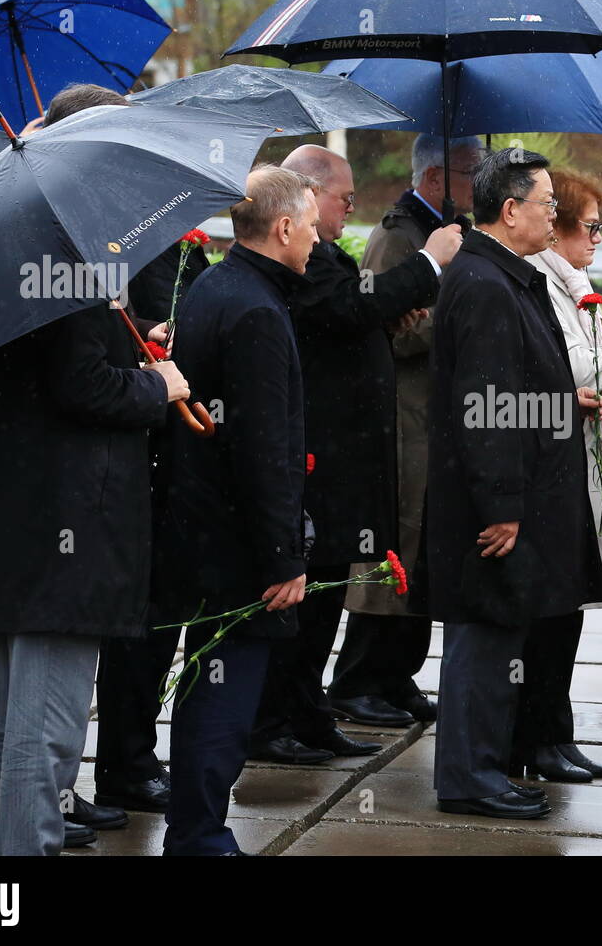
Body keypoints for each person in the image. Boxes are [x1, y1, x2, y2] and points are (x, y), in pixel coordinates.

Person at [0, 199, 190, 855]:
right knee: (45, 724)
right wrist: (156, 388)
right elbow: (81, 386)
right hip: (64, 529)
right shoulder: (72, 263)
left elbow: (50, 363)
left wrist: (129, 331)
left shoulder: (5, 252)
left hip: (8, 520)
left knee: (3, 714)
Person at [27, 84, 213, 821]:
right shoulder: (61, 238)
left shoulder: (95, 229)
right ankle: (40, 811)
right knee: (46, 682)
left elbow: (94, 349)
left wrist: (142, 338)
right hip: (61, 491)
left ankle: (55, 799)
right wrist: (152, 385)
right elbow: (77, 381)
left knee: (60, 678)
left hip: (90, 481)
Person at [248, 144, 462, 764]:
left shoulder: (322, 255)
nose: (349, 208)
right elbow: (347, 305)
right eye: (342, 199)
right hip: (321, 458)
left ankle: (309, 716)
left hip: (343, 459)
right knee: (306, 602)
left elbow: (352, 314)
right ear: (308, 197)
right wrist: (430, 260)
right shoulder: (298, 262)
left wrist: (389, 322)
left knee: (322, 603)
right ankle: (276, 723)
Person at [427, 148, 602, 819]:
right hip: (492, 508)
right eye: (546, 206)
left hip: (514, 496)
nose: (554, 216)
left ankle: (484, 768)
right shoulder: (484, 284)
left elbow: (518, 388)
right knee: (484, 640)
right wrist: (502, 507)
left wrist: (564, 403)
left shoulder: (504, 275)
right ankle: (470, 779)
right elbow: (484, 406)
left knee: (499, 634)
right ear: (511, 212)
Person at [154, 165, 319, 856]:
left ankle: (195, 830)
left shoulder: (214, 285)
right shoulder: (254, 308)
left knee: (207, 678)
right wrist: (283, 557)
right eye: (310, 225)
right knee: (222, 691)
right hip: (238, 542)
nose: (315, 239)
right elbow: (262, 446)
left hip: (200, 523)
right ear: (282, 228)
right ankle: (200, 836)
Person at [330, 133, 484, 728]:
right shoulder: (400, 236)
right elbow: (385, 331)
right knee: (394, 548)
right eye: (471, 172)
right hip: (404, 420)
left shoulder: (450, 233)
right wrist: (449, 312)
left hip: (435, 417)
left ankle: (397, 677)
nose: (480, 183)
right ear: (437, 178)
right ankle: (359, 681)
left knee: (424, 555)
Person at [517, 168, 602, 782]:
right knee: (549, 612)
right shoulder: (543, 281)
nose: (597, 239)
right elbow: (574, 366)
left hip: (581, 463)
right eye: (590, 226)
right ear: (559, 227)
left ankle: (557, 732)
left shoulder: (572, 279)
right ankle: (537, 739)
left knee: (569, 606)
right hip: (554, 466)